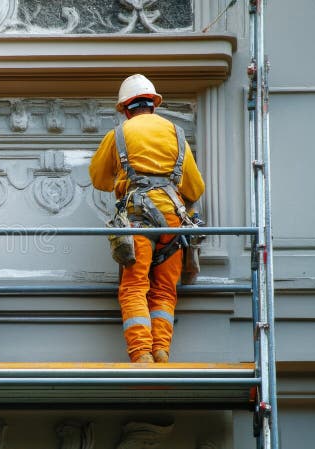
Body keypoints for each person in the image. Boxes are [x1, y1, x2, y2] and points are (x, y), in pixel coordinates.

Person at [89, 74, 205, 363]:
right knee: (165, 289)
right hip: (173, 218)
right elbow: (195, 188)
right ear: (153, 105)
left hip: (138, 218)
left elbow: (98, 178)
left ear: (126, 109)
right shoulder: (176, 133)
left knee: (134, 286)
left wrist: (125, 174)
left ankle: (141, 354)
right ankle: (162, 351)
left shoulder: (119, 134)